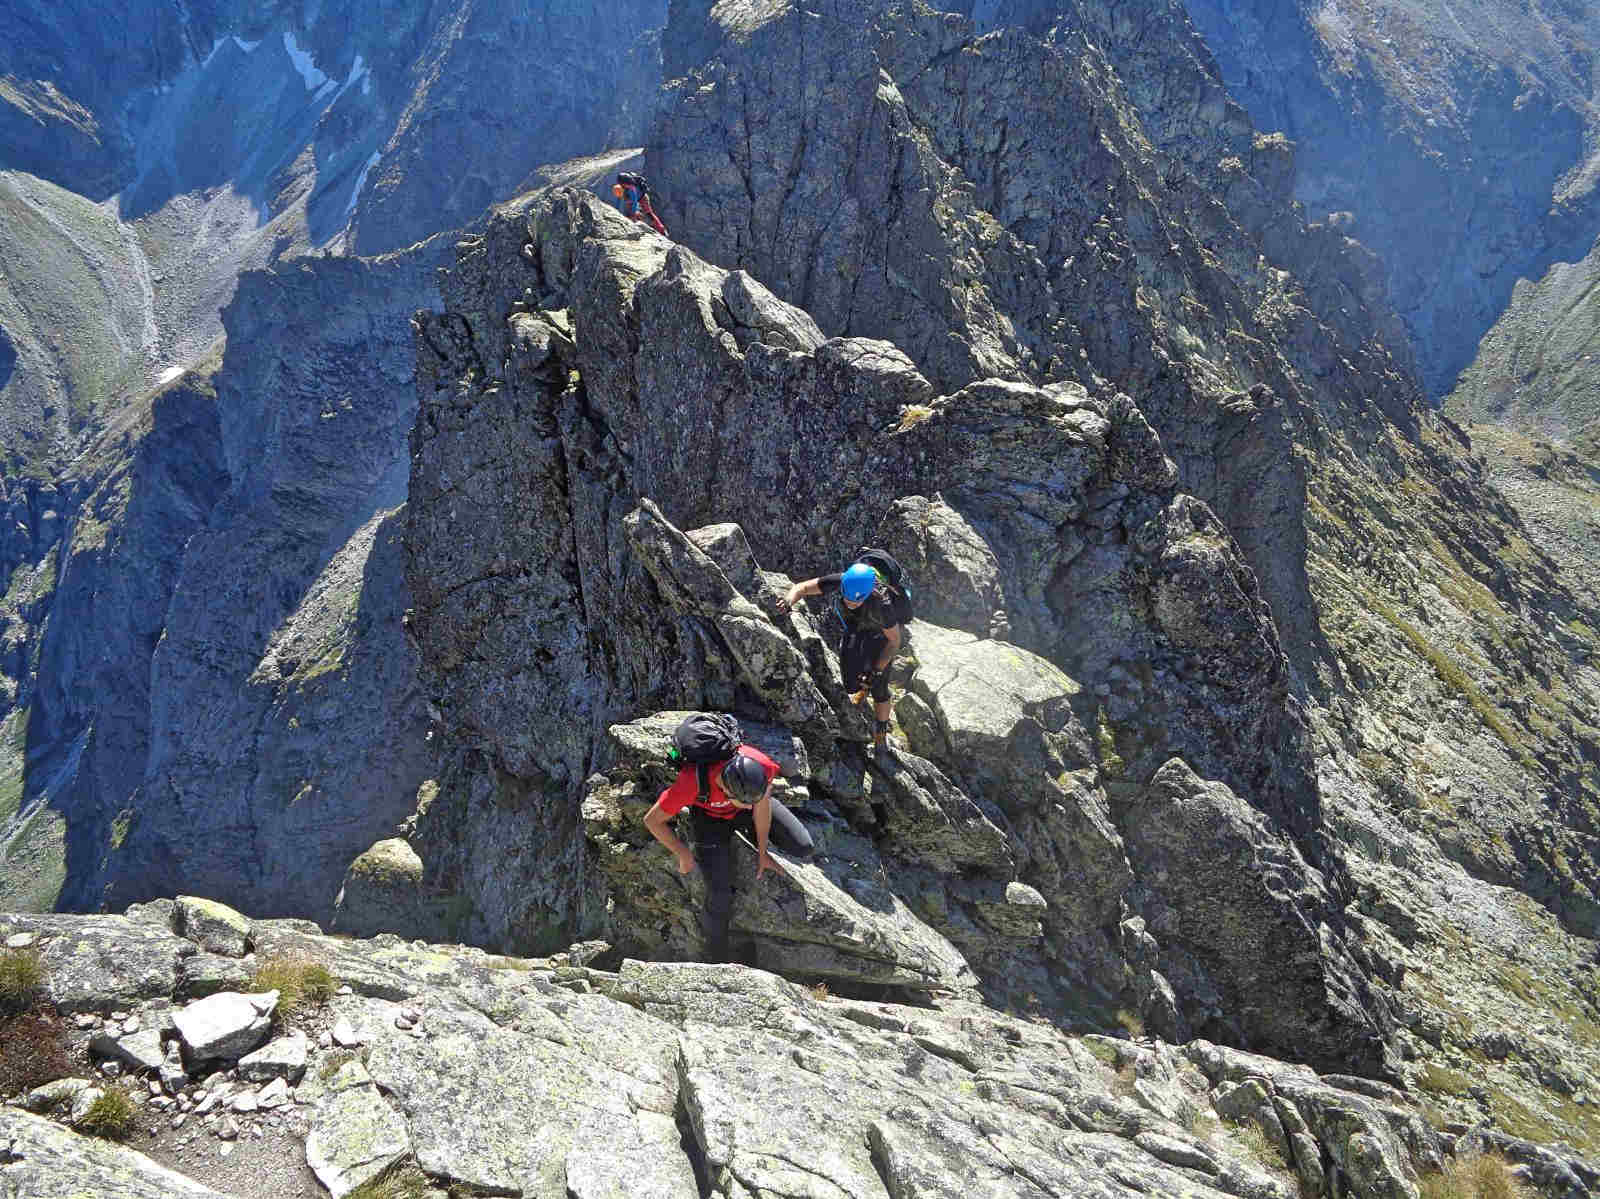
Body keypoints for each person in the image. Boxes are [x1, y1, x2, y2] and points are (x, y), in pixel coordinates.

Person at [642, 742, 813, 963]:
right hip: (709, 820)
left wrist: (763, 852)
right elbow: (652, 820)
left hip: (747, 808)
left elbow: (760, 807)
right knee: (720, 895)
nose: (745, 804)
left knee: (803, 846)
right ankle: (717, 959)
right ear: (725, 788)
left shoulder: (761, 767)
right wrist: (682, 853)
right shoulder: (691, 783)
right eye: (741, 800)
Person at [777, 562, 903, 752]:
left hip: (881, 638)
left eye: (855, 601)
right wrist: (787, 601)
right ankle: (861, 689)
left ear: (868, 594)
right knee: (850, 684)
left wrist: (877, 670)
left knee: (879, 687)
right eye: (847, 598)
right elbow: (801, 587)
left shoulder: (883, 606)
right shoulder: (843, 580)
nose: (850, 603)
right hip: (855, 630)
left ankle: (881, 735)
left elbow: (894, 642)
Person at [612, 172, 667, 236]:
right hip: (633, 197)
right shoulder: (620, 188)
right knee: (630, 213)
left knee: (648, 213)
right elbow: (619, 199)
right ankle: (637, 221)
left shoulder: (631, 187)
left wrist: (633, 213)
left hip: (642, 197)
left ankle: (661, 229)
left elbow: (634, 202)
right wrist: (616, 211)